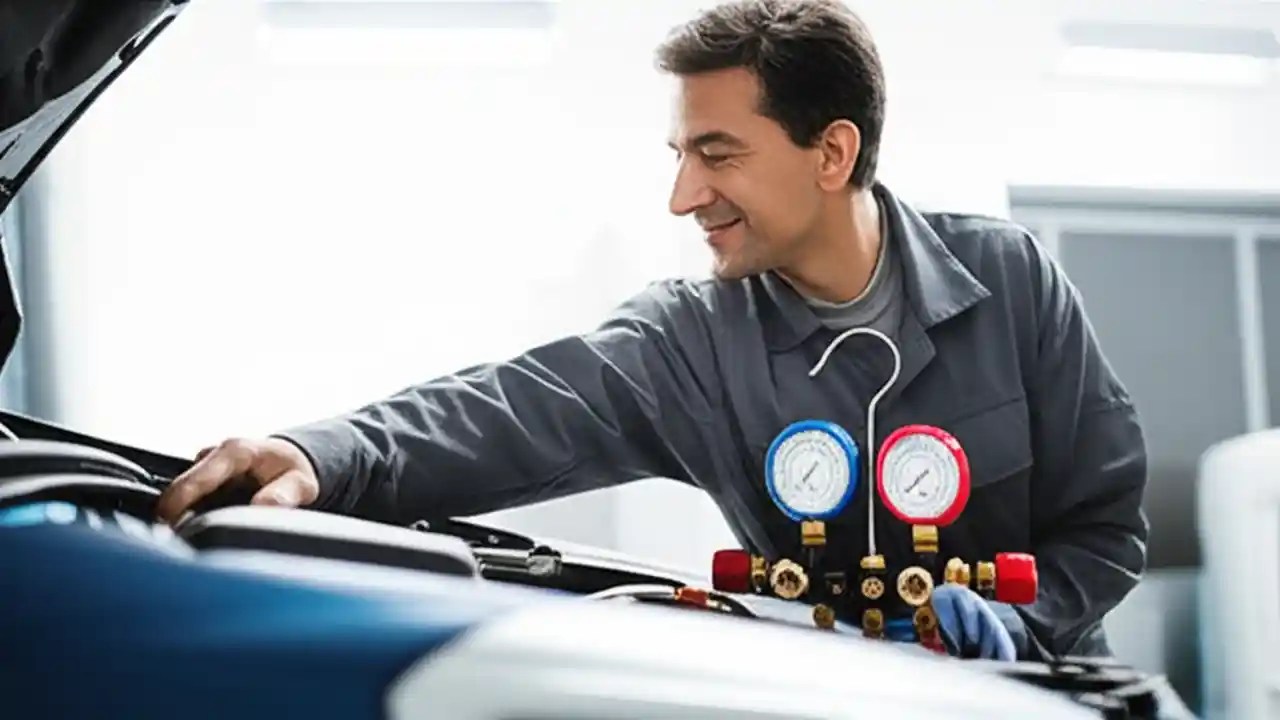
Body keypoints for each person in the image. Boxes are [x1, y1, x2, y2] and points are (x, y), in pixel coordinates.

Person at [157, 0, 1148, 663]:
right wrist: (318, 454)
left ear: (830, 153)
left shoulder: (1008, 281)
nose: (683, 195)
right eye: (679, 153)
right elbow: (503, 410)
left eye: (716, 154)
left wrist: (1015, 627)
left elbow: (1103, 530)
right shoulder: (691, 343)